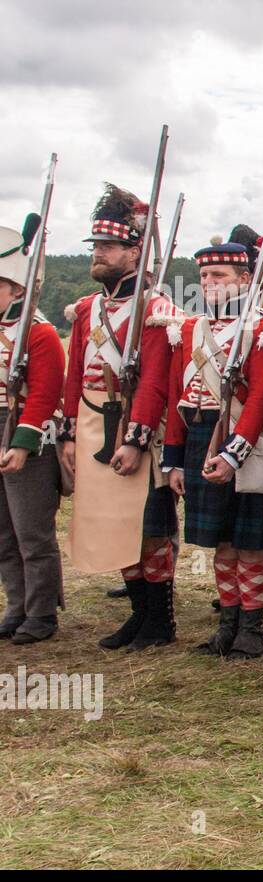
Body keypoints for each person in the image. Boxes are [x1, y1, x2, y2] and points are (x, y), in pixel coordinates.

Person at [164, 226, 263, 659]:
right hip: (202, 434)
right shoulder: (189, 330)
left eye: (219, 276)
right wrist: (175, 460)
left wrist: (233, 452)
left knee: (251, 543)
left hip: (247, 440)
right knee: (221, 542)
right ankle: (228, 622)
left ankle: (252, 628)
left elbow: (262, 396)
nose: (209, 284)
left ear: (243, 279)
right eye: (204, 278)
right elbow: (178, 398)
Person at [63, 184, 182, 652]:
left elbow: (154, 383)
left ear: (135, 253)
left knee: (149, 531)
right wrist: (69, 434)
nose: (99, 255)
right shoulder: (89, 310)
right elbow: (76, 375)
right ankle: (138, 615)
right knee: (112, 526)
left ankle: (159, 620)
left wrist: (135, 439)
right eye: (96, 247)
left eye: (109, 247)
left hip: (136, 427)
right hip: (93, 420)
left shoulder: (154, 309)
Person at [0, 218, 65, 645]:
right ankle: (16, 606)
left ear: (17, 289)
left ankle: (41, 612)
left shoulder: (39, 333)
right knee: (2, 532)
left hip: (28, 434)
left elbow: (43, 394)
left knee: (32, 533)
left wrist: (22, 445)